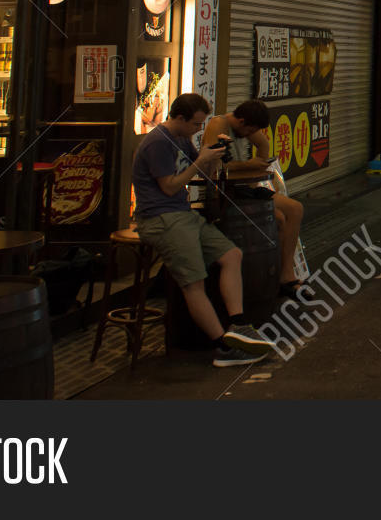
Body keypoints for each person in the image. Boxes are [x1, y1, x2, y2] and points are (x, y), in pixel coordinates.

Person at [130, 93, 273, 367]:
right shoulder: (158, 143)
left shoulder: (181, 138)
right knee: (193, 282)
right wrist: (200, 160)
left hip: (182, 215)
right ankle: (223, 347)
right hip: (161, 219)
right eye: (197, 124)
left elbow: (203, 173)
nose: (199, 129)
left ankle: (238, 325)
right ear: (180, 118)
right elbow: (170, 186)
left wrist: (216, 155)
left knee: (232, 255)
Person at [201, 100, 307, 299]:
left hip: (247, 190)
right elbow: (212, 168)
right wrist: (250, 165)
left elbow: (263, 144)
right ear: (242, 121)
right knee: (278, 218)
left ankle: (286, 274)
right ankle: (273, 277)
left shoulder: (244, 127)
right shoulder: (219, 125)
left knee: (295, 209)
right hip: (226, 193)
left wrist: (259, 164)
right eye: (251, 130)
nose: (250, 135)